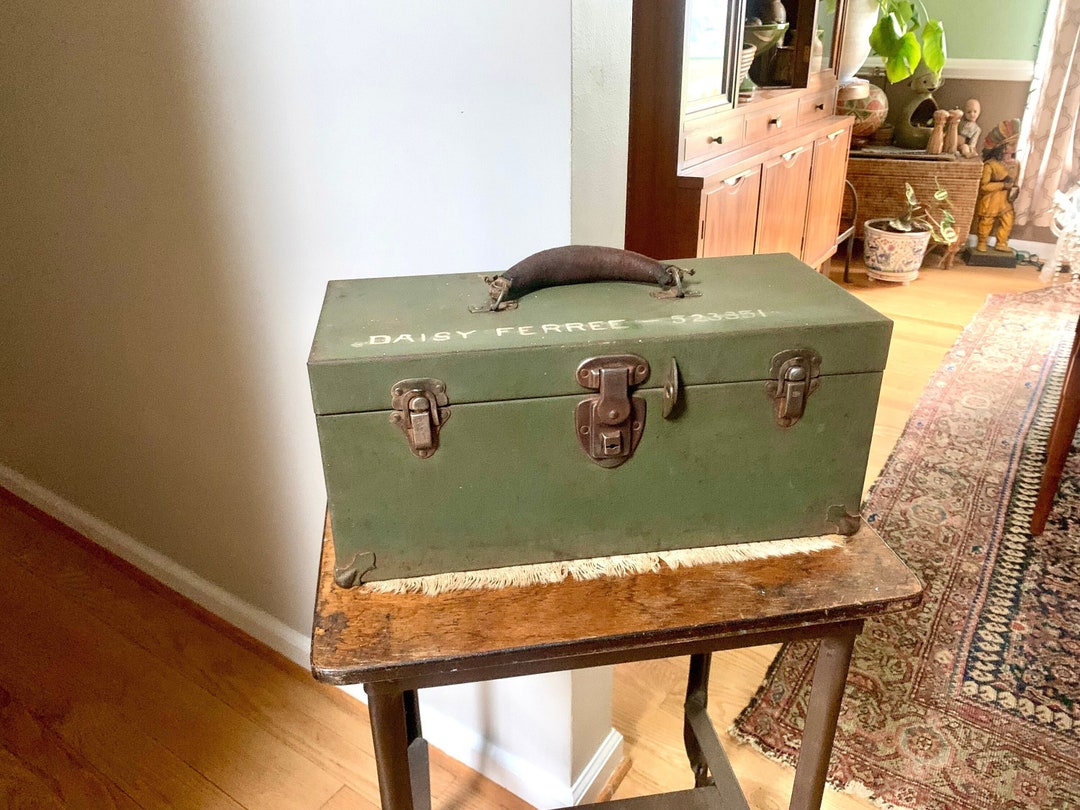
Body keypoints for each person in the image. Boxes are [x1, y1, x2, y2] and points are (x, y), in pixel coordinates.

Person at [974, 119, 1021, 253]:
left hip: (1006, 201)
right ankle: (982, 242)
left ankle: (1001, 242)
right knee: (986, 222)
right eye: (1011, 144)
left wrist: (1014, 189)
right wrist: (1002, 185)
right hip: (991, 200)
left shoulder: (1016, 164)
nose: (1014, 147)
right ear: (1002, 147)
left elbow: (1015, 182)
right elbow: (984, 186)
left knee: (1008, 221)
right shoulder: (990, 165)